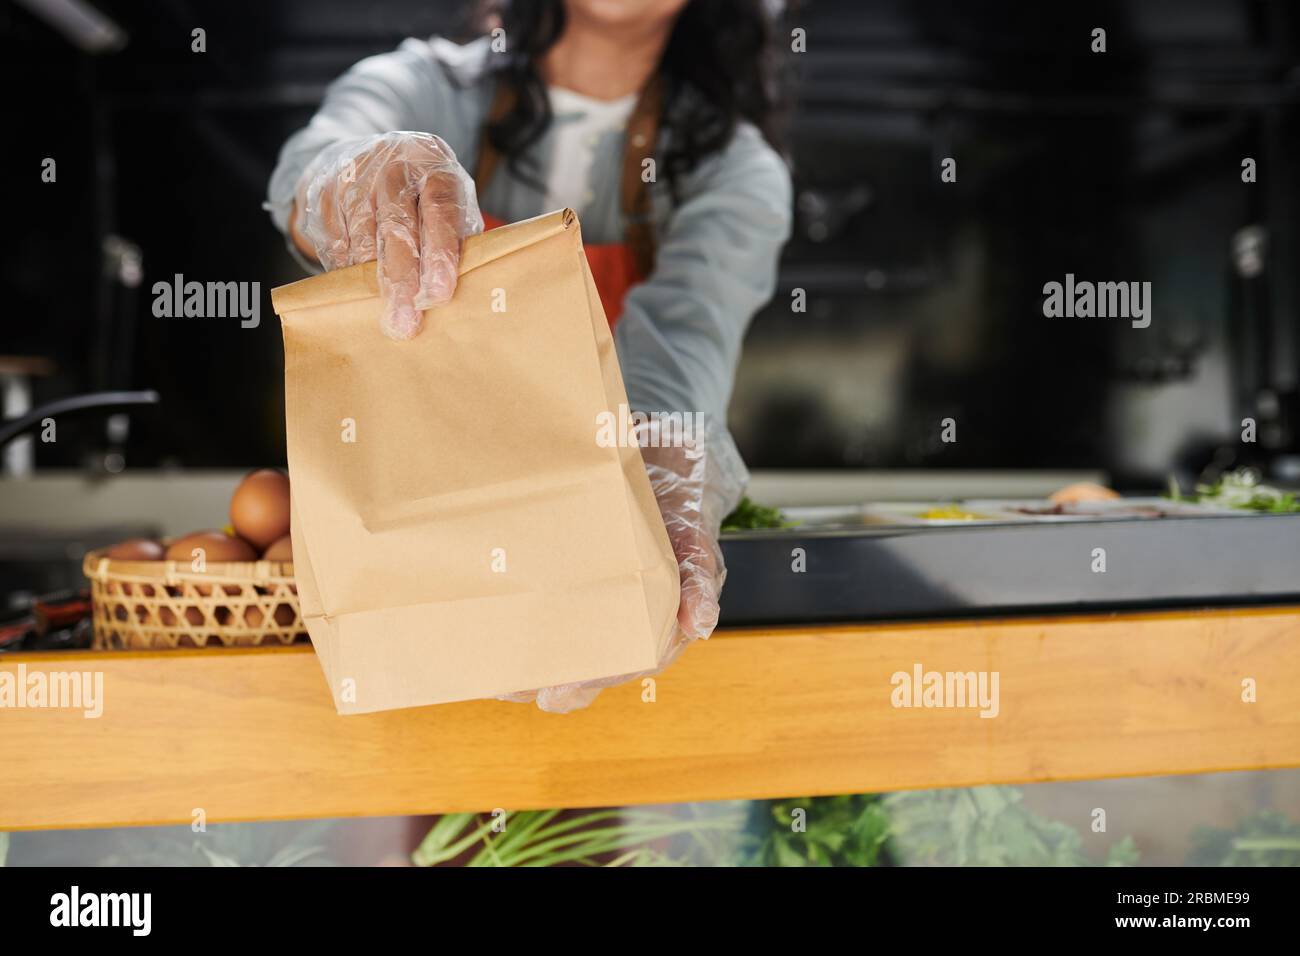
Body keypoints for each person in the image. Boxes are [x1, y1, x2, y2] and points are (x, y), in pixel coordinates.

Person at [266, 0, 792, 711]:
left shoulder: (733, 169)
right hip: (402, 556)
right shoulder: (421, 86)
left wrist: (661, 481)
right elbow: (307, 171)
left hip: (580, 559)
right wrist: (357, 177)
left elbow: (681, 351)